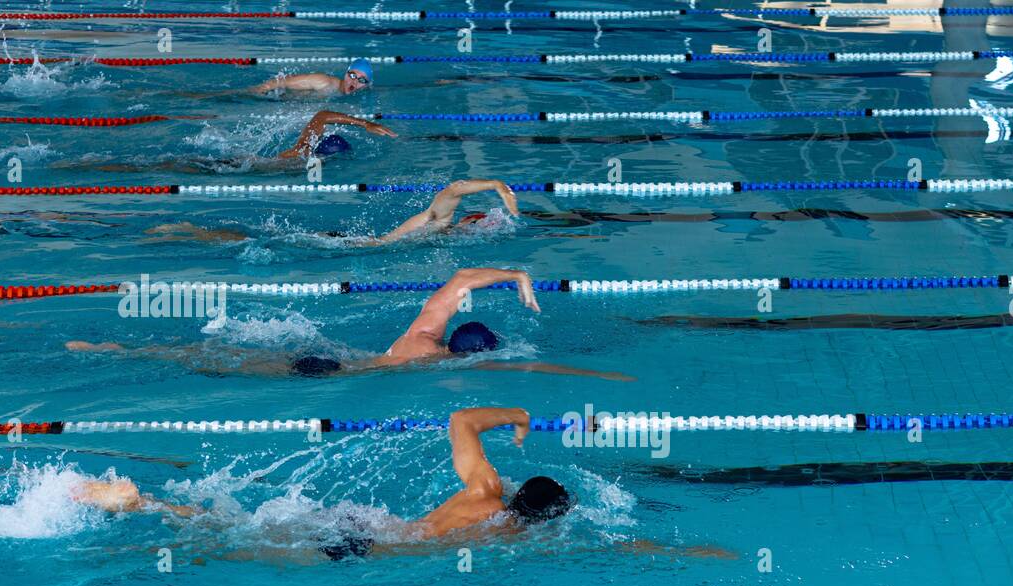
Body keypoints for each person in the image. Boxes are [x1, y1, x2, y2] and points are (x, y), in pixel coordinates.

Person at [63, 406, 729, 562]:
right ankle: (143, 503)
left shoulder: (483, 492)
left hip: (363, 521)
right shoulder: (511, 536)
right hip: (369, 549)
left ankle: (146, 501)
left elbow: (462, 418)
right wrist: (685, 552)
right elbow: (612, 548)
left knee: (241, 525)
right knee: (234, 544)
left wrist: (519, 417)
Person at [66, 267, 633, 381]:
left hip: (333, 358)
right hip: (329, 373)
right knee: (214, 367)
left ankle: (117, 346)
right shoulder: (437, 363)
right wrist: (598, 377)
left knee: (211, 359)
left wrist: (515, 275)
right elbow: (533, 365)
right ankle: (115, 350)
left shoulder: (422, 334)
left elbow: (459, 278)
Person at [143, 179, 522, 246]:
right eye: (481, 224)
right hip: (357, 245)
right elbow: (455, 189)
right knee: (266, 241)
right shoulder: (441, 221)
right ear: (470, 220)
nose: (479, 229)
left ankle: (189, 230)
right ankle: (189, 230)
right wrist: (496, 185)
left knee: (271, 241)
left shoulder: (447, 234)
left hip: (359, 244)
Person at [83, 110, 395, 174]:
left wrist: (364, 123)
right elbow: (323, 113)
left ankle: (99, 166)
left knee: (164, 166)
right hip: (235, 167)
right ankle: (100, 168)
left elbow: (323, 115)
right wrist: (365, 123)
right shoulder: (303, 157)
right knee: (162, 168)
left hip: (240, 162)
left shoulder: (305, 148)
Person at [246, 58, 375, 98]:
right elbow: (280, 82)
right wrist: (256, 91)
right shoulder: (322, 81)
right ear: (345, 73)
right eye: (352, 75)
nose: (354, 81)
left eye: (361, 80)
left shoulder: (359, 93)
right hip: (272, 98)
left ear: (367, 85)